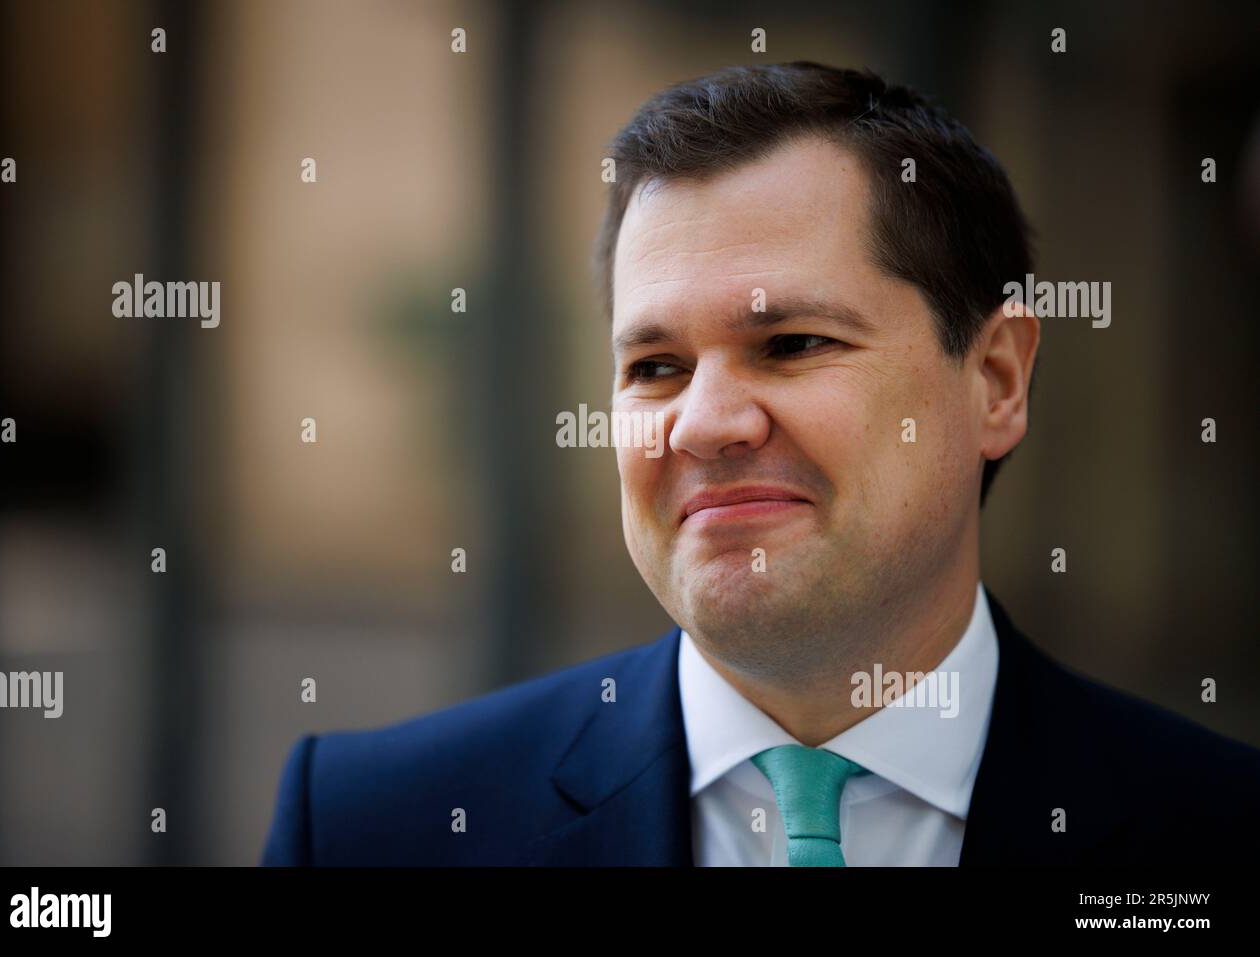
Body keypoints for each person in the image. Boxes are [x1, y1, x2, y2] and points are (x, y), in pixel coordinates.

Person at [261, 62, 1260, 866]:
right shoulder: (373, 829)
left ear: (994, 380)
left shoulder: (1214, 831)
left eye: (790, 344)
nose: (703, 424)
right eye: (654, 366)